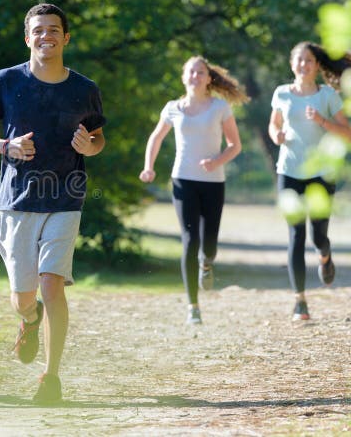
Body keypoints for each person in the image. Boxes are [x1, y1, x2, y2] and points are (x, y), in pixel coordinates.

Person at [0, 3, 106, 404]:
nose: (46, 36)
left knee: (53, 286)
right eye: (38, 30)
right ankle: (29, 321)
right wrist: (5, 146)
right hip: (17, 201)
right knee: (25, 298)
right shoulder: (6, 81)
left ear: (65, 37)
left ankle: (51, 377)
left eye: (53, 30)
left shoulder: (84, 88)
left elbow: (98, 140)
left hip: (66, 199)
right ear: (27, 37)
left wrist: (91, 145)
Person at [139, 56, 247, 325]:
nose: (196, 76)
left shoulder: (220, 107)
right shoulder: (172, 108)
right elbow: (156, 138)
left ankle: (207, 263)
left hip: (213, 182)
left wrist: (216, 161)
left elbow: (235, 145)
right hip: (183, 180)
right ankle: (193, 306)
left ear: (209, 78)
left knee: (208, 242)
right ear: (183, 77)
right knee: (189, 239)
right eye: (191, 72)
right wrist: (148, 167)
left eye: (201, 72)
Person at [268, 41, 351, 321]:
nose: (304, 65)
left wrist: (322, 122)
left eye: (309, 61)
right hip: (288, 171)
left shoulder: (327, 96)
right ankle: (300, 301)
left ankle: (325, 256)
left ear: (317, 66)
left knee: (318, 236)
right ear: (292, 64)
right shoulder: (281, 93)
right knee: (295, 236)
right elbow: (274, 124)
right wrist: (275, 135)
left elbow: (347, 133)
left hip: (320, 174)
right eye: (299, 60)